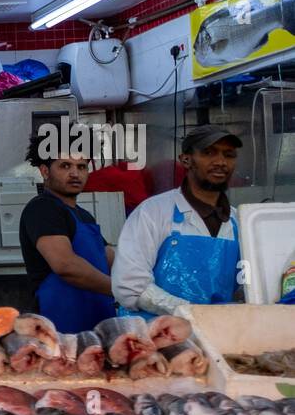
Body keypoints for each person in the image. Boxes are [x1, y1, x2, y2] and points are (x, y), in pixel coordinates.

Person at [112, 125, 242, 318]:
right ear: (186, 160)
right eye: (208, 153)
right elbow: (131, 286)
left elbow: (246, 285)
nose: (220, 162)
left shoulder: (239, 221)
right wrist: (189, 312)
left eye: (229, 154)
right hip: (157, 337)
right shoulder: (152, 212)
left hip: (220, 335)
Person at [18, 137, 117, 333]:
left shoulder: (84, 215)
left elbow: (112, 260)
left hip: (99, 324)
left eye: (81, 167)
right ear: (45, 171)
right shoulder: (42, 208)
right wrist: (119, 290)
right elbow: (66, 266)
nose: (75, 174)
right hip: (59, 328)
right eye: (65, 166)